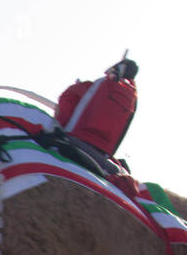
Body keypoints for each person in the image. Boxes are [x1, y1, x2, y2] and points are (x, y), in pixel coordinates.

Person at [54, 57, 140, 194]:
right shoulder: (132, 98)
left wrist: (58, 128)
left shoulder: (94, 86)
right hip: (102, 156)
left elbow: (66, 101)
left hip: (73, 140)